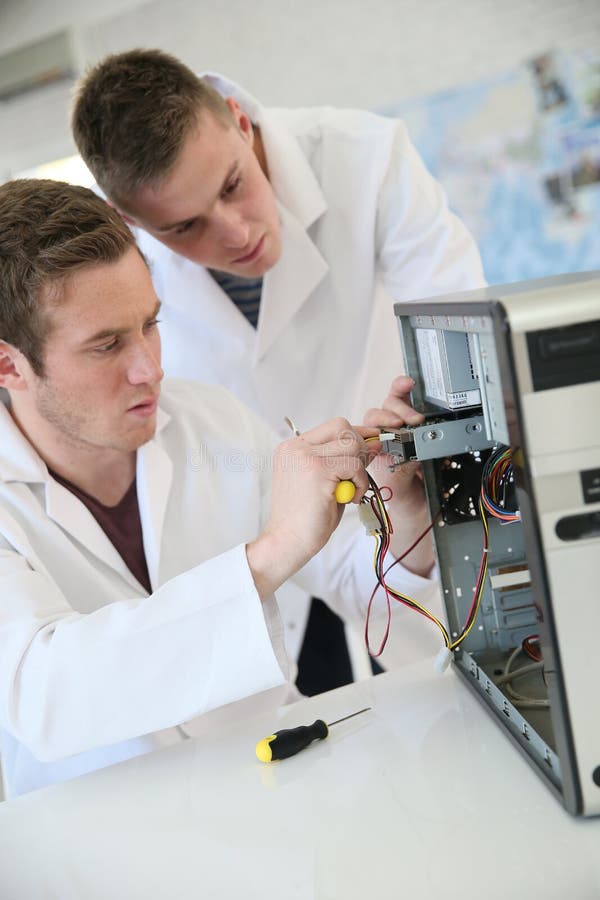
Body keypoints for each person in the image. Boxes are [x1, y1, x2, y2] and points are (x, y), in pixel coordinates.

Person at [0, 179, 434, 797]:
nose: (150, 367)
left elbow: (354, 581)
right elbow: (41, 689)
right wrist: (270, 555)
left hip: (279, 796)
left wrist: (407, 516)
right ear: (9, 365)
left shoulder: (211, 421)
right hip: (99, 846)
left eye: (149, 324)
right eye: (107, 345)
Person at [71, 49, 485, 691]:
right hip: (266, 548)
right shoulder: (122, 280)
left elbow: (460, 332)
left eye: (233, 184)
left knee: (456, 694)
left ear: (238, 119)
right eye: (185, 227)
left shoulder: (365, 157)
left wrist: (420, 437)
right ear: (134, 222)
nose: (234, 234)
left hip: (418, 498)